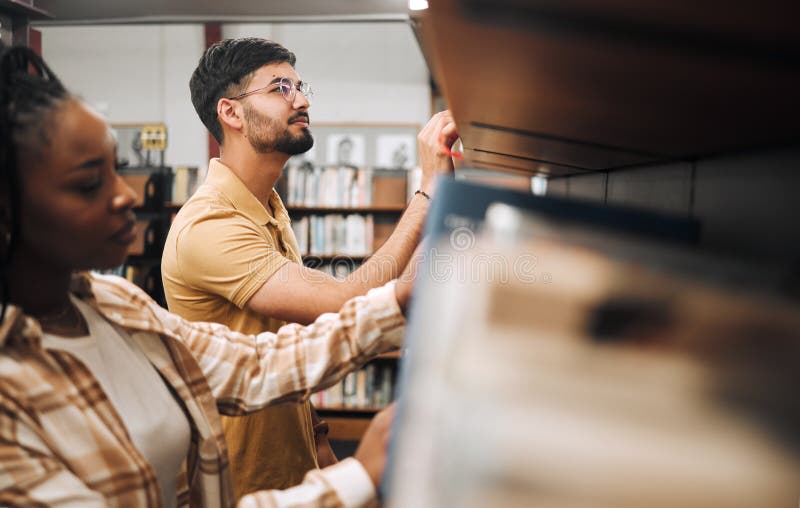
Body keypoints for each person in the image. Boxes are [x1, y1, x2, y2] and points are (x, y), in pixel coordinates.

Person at [0, 41, 417, 508]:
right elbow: (339, 302)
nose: (128, 197)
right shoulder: (10, 390)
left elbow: (254, 364)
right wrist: (358, 478)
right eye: (88, 183)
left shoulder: (114, 304)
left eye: (117, 171)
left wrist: (397, 303)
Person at [161, 37, 457, 498]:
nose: (301, 100)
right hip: (241, 488)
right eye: (280, 87)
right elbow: (344, 304)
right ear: (230, 113)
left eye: (299, 86)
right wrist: (427, 195)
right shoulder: (210, 223)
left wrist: (320, 448)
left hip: (293, 475)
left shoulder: (267, 207)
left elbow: (282, 341)